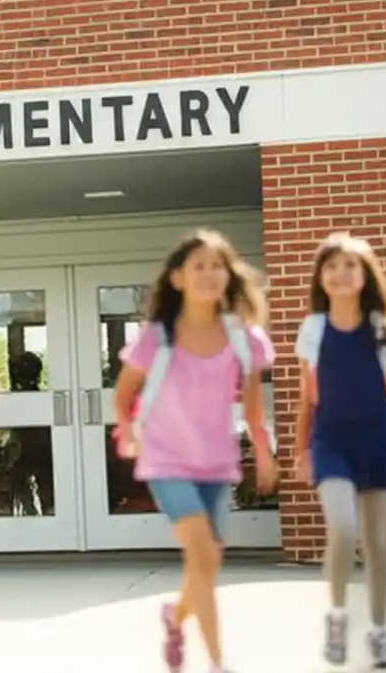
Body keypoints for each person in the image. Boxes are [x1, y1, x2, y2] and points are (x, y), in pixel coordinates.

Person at [113, 229, 277, 673]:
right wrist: (129, 429)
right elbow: (124, 391)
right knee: (202, 553)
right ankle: (218, 662)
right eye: (198, 266)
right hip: (166, 460)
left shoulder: (245, 338)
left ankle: (176, 615)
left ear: (230, 275)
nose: (208, 274)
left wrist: (263, 453)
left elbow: (254, 407)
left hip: (217, 462)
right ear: (178, 279)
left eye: (217, 266)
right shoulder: (157, 338)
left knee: (206, 563)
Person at [292, 233, 386, 669]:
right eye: (331, 266)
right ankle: (336, 616)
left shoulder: (385, 330)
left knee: (376, 542)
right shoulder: (313, 329)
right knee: (343, 526)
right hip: (332, 442)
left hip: (377, 442)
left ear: (365, 274)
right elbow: (307, 397)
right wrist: (300, 450)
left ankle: (379, 630)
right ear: (321, 277)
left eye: (350, 265)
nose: (340, 273)